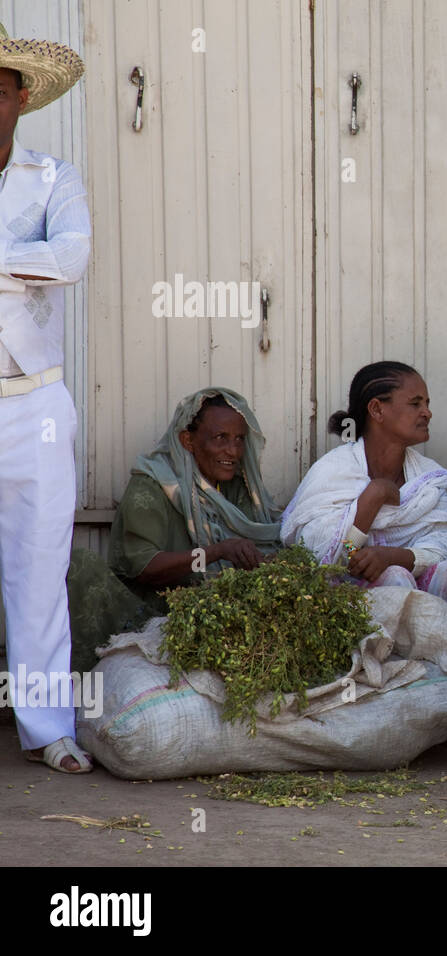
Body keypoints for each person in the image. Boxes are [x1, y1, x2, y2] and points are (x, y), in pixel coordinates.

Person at [0, 24, 91, 773]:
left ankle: (48, 727)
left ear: (21, 98)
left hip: (34, 401)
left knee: (38, 569)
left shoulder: (54, 176)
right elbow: (42, 263)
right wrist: (17, 267)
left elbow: (71, 258)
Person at [281, 361, 447, 608]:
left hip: (420, 586)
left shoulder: (431, 478)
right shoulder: (334, 471)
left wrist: (396, 557)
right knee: (395, 578)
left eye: (427, 404)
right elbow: (329, 555)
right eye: (415, 403)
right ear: (377, 410)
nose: (427, 412)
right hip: (344, 597)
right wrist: (373, 497)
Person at [106, 389, 281, 611]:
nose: (233, 451)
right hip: (152, 610)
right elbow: (144, 567)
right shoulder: (153, 486)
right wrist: (216, 552)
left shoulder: (236, 488)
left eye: (239, 439)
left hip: (218, 611)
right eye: (221, 438)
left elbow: (261, 548)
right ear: (188, 440)